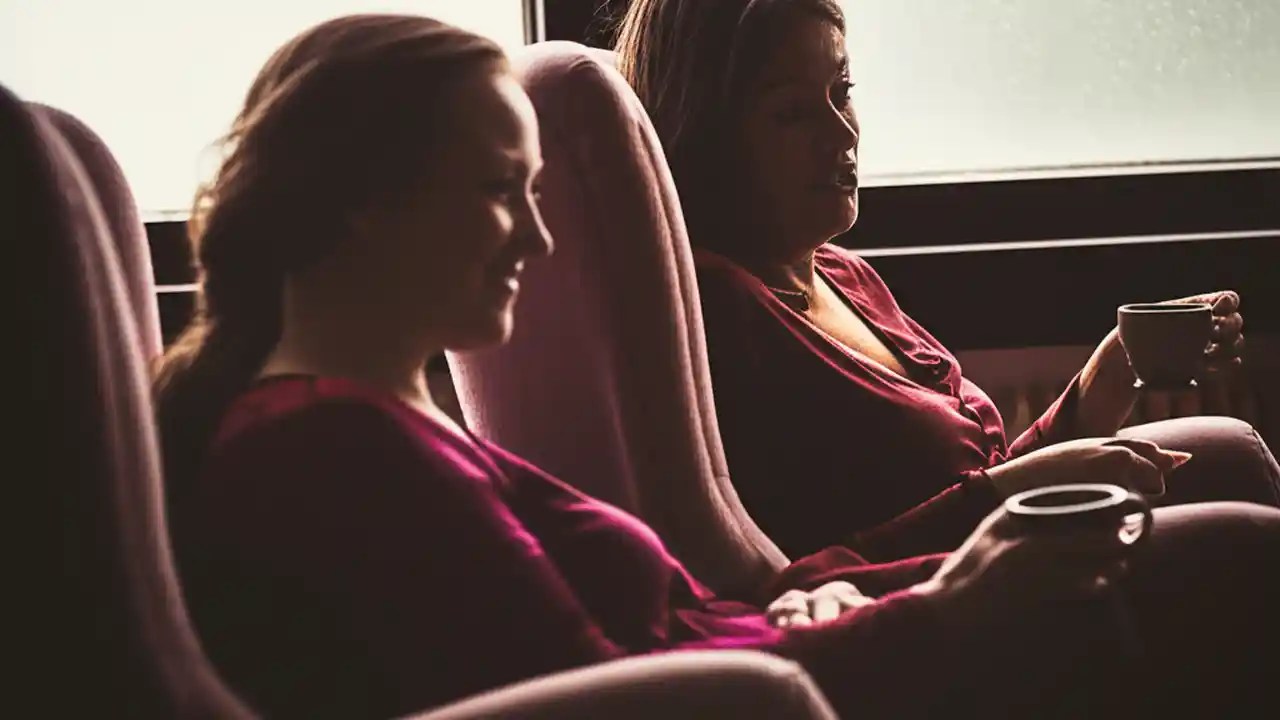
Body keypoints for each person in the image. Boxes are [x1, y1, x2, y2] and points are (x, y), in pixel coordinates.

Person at [155, 13, 1280, 720]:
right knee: (1239, 558)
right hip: (811, 684)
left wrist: (897, 591)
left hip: (804, 655)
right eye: (502, 194)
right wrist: (946, 609)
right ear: (365, 207)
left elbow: (689, 637)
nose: (540, 242)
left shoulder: (380, 428)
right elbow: (650, 690)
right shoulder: (341, 454)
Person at [613, 0, 1280, 560]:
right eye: (793, 113)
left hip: (1018, 566)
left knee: (1231, 452)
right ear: (705, 133)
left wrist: (1109, 377)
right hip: (970, 618)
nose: (842, 133)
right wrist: (1006, 498)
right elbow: (792, 580)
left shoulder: (845, 276)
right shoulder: (719, 317)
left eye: (842, 93)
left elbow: (977, 478)